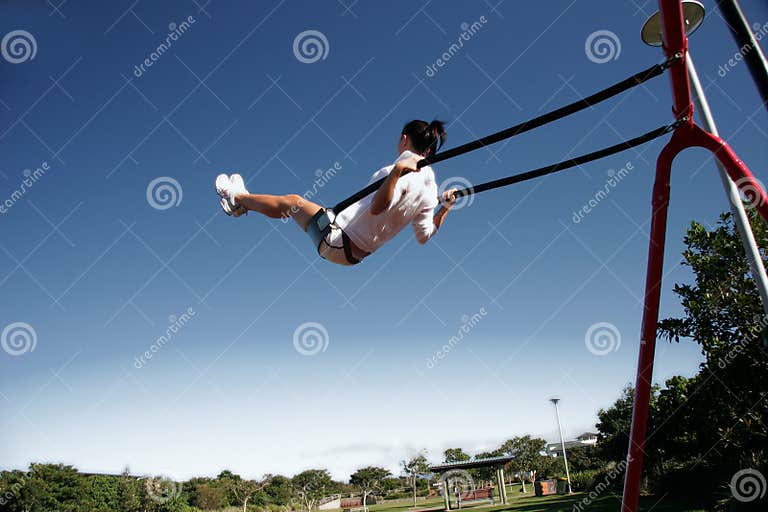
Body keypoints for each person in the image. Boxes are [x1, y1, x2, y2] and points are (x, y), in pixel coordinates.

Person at [215, 119, 458, 265]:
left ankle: (236, 199)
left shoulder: (400, 168)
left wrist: (395, 173)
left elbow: (377, 208)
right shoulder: (431, 188)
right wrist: (445, 209)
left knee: (291, 202)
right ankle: (241, 203)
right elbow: (424, 236)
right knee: (295, 207)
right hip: (353, 257)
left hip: (337, 239)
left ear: (404, 139)